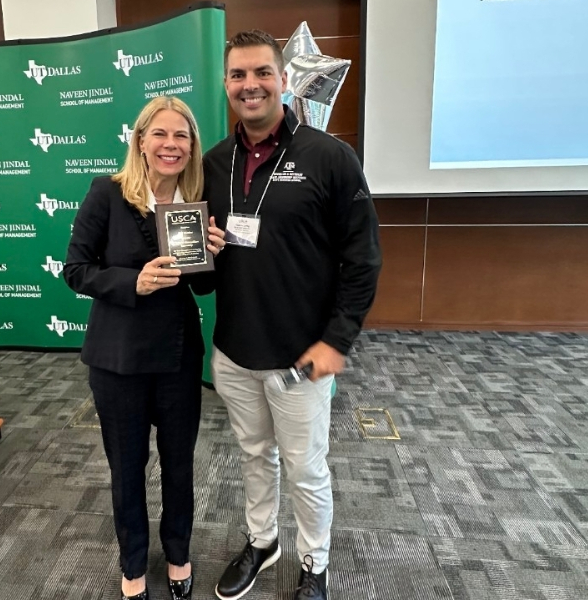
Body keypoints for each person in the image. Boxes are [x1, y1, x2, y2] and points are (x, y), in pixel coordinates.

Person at [203, 30, 382, 600]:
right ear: (226, 84)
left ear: (284, 80)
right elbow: (208, 274)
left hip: (301, 356)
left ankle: (314, 563)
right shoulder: (214, 163)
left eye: (262, 72)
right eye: (238, 75)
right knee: (254, 456)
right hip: (234, 351)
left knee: (306, 469)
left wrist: (338, 340)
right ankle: (262, 542)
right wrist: (202, 254)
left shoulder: (330, 158)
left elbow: (363, 258)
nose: (250, 85)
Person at [64, 95, 225, 600]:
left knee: (179, 465)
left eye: (181, 135)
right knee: (127, 469)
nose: (170, 144)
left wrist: (212, 256)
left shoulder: (196, 204)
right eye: (160, 133)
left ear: (191, 146)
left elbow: (202, 288)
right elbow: (76, 270)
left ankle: (178, 553)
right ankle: (133, 563)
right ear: (140, 141)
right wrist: (132, 282)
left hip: (177, 358)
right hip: (118, 359)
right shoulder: (107, 194)